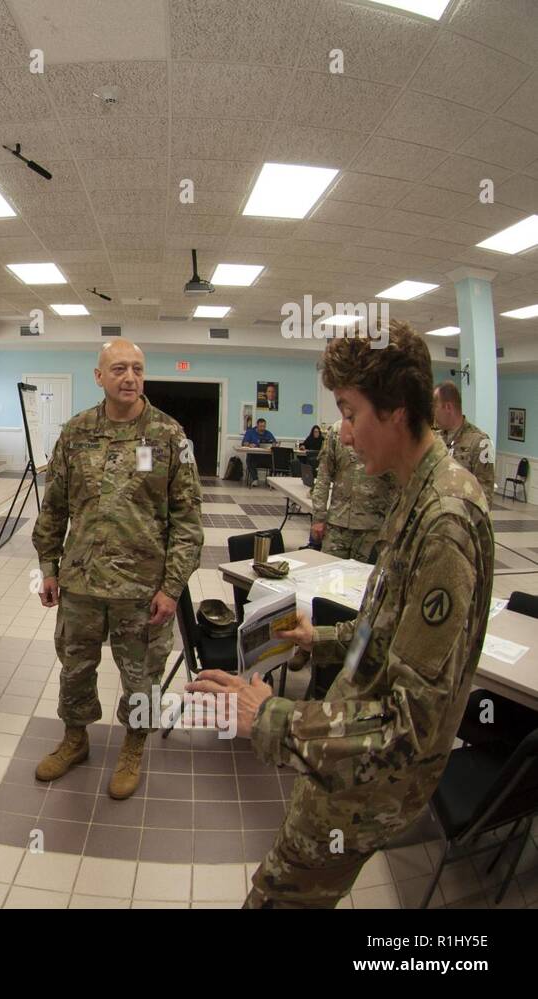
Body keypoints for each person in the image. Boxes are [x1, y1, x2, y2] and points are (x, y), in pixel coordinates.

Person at [188, 320, 494, 908]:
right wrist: (322, 636)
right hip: (348, 740)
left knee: (278, 895)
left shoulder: (445, 520)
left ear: (398, 411)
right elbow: (390, 626)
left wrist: (269, 715)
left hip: (373, 774)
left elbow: (412, 724)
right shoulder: (416, 489)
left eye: (352, 414)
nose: (345, 436)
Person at [31, 338, 203, 798]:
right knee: (74, 669)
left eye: (138, 369)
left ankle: (133, 746)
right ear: (99, 376)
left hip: (141, 591)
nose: (130, 377)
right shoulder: (76, 432)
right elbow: (54, 508)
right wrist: (48, 566)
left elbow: (188, 521)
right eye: (120, 368)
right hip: (81, 584)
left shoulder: (170, 437)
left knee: (142, 678)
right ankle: (74, 739)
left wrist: (171, 588)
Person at [309, 420, 398, 563]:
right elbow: (323, 476)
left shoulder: (388, 432)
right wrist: (318, 518)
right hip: (337, 526)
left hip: (372, 528)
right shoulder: (337, 430)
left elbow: (397, 484)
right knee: (327, 576)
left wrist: (393, 526)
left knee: (362, 581)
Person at [433, 381, 495, 507]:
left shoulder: (480, 442)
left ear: (448, 407)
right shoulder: (436, 438)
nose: (433, 414)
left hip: (463, 519)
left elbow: (485, 494)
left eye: (434, 407)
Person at [241, 418, 277, 485]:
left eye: (264, 426)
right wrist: (249, 444)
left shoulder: (268, 433)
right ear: (257, 425)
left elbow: (274, 442)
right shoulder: (250, 432)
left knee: (274, 460)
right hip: (254, 456)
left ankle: (270, 480)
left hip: (265, 456)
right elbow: (244, 443)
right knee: (250, 460)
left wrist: (273, 444)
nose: (262, 428)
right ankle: (255, 479)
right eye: (261, 426)